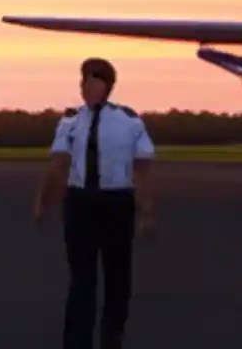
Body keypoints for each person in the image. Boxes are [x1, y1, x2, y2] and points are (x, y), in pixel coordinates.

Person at [34, 57, 156, 349]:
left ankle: (112, 335)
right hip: (80, 203)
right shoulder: (70, 121)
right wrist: (44, 202)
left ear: (107, 86)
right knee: (81, 278)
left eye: (92, 81)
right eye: (83, 81)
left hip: (117, 202)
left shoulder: (129, 121)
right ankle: (77, 341)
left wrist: (147, 211)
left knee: (118, 275)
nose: (85, 88)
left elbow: (142, 170)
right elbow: (58, 165)